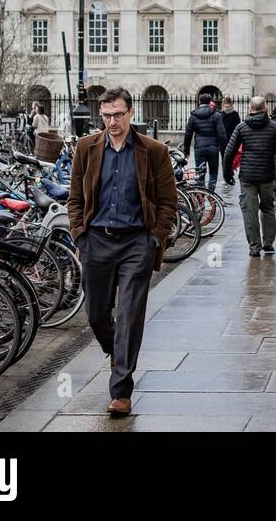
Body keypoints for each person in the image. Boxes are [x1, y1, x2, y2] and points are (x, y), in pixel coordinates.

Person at [67, 87, 177, 417]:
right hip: (96, 241)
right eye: (106, 116)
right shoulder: (86, 148)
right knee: (96, 313)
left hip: (135, 243)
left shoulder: (153, 150)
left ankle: (121, 391)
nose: (112, 122)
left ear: (130, 113)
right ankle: (116, 350)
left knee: (129, 315)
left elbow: (168, 202)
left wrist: (154, 238)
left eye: (118, 114)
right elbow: (75, 199)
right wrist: (79, 235)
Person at [223, 96, 276, 257]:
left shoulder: (241, 128)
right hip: (268, 175)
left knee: (249, 212)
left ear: (250, 109)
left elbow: (229, 152)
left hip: (248, 176)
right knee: (268, 208)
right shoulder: (274, 128)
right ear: (265, 108)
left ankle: (254, 246)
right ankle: (268, 243)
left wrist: (227, 172)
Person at [182, 94, 227, 191]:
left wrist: (186, 151)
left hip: (199, 148)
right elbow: (222, 134)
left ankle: (201, 197)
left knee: (200, 173)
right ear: (209, 102)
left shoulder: (193, 116)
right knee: (213, 172)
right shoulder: (215, 115)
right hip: (213, 147)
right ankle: (211, 194)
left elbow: (188, 134)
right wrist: (224, 149)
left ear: (199, 102)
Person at [218, 97, 241, 187]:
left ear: (231, 104)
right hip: (222, 140)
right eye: (225, 104)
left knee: (231, 159)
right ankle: (226, 177)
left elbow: (237, 127)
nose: (227, 105)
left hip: (232, 140)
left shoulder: (235, 114)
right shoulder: (220, 114)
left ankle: (230, 175)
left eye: (228, 103)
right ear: (223, 104)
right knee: (224, 159)